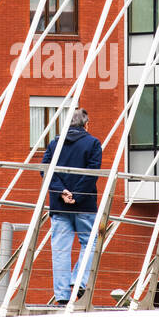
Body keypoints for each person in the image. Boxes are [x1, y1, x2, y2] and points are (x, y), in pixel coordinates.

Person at [41, 108, 102, 306]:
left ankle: (61, 295)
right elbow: (92, 172)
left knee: (60, 249)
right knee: (90, 242)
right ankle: (78, 281)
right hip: (85, 204)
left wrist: (62, 192)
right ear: (86, 124)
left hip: (59, 205)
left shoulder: (54, 143)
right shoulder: (93, 143)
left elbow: (46, 170)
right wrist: (76, 195)